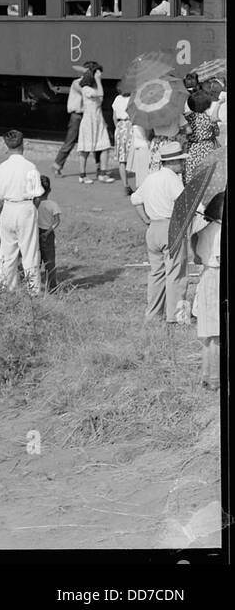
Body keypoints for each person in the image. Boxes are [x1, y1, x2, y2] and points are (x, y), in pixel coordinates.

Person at [129, 141, 188, 325]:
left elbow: (135, 200)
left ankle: (153, 314)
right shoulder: (173, 180)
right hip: (172, 227)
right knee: (176, 274)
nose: (183, 164)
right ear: (174, 162)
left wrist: (146, 220)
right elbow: (184, 204)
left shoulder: (151, 178)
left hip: (153, 228)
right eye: (181, 161)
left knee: (157, 273)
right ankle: (176, 317)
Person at [0, 130, 43, 295]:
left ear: (6, 146)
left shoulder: (1, 168)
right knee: (29, 251)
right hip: (25, 207)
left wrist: (8, 204)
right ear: (23, 144)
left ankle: (6, 288)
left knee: (7, 251)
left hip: (8, 207)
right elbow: (37, 194)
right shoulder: (30, 167)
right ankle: (33, 290)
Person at [188, 192, 223, 389]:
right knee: (217, 335)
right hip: (216, 281)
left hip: (207, 280)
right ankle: (215, 379)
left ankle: (207, 376)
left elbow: (198, 258)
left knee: (208, 336)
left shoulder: (202, 232)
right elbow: (219, 259)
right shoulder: (219, 233)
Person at [71, 63, 112, 182]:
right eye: (98, 72)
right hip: (89, 121)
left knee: (105, 146)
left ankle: (102, 174)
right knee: (85, 149)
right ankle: (82, 175)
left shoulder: (94, 88)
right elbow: (100, 94)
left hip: (98, 120)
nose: (100, 75)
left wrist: (98, 81)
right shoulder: (86, 89)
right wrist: (98, 80)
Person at [53, 69, 85, 177]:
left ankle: (100, 169)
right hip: (76, 115)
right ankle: (57, 165)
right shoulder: (77, 83)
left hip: (85, 115)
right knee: (70, 141)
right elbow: (84, 91)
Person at [183, 91, 219, 184]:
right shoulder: (208, 118)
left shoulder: (186, 117)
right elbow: (217, 132)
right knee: (206, 176)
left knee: (191, 174)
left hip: (192, 148)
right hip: (206, 148)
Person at [35, 174, 61, 292]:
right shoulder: (52, 205)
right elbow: (57, 221)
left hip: (35, 233)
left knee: (36, 260)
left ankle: (34, 284)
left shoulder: (34, 204)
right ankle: (51, 286)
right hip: (47, 233)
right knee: (49, 261)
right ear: (49, 190)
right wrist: (48, 232)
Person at [112, 80, 134, 190]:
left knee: (122, 159)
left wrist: (117, 128)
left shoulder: (117, 99)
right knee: (133, 155)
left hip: (120, 127)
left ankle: (125, 185)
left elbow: (114, 117)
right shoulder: (132, 99)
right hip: (130, 126)